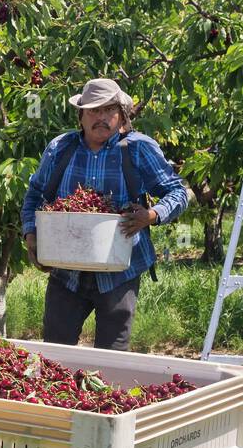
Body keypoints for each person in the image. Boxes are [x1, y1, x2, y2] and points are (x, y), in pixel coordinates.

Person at [21, 77, 189, 350]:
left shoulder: (138, 149)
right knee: (55, 352)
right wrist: (31, 234)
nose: (101, 117)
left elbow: (177, 192)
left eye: (108, 110)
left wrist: (152, 214)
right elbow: (35, 194)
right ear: (81, 116)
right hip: (67, 271)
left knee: (111, 355)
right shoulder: (60, 148)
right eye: (93, 110)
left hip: (120, 271)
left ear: (121, 116)